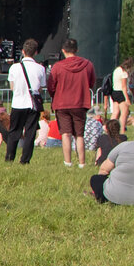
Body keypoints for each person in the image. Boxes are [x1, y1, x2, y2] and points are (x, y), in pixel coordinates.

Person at [47, 37, 95, 168]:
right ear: (77, 49)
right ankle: (82, 163)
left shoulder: (58, 67)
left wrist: (54, 95)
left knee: (66, 134)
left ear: (63, 50)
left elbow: (51, 86)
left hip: (62, 104)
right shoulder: (88, 65)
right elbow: (91, 83)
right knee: (79, 135)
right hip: (80, 103)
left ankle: (67, 162)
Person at [5, 39, 46, 164]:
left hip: (18, 103)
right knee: (30, 133)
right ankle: (25, 159)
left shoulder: (14, 67)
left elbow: (12, 87)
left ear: (23, 51)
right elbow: (40, 87)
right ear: (36, 52)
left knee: (14, 132)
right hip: (32, 105)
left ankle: (10, 157)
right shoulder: (40, 68)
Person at [86, 138, 134, 205]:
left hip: (113, 196)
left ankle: (100, 197)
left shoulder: (124, 146)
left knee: (95, 179)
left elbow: (104, 170)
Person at [108, 57, 132, 129]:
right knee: (124, 113)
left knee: (115, 112)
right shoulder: (124, 73)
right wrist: (127, 99)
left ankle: (109, 128)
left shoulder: (116, 70)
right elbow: (124, 87)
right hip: (121, 93)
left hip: (114, 92)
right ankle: (122, 129)